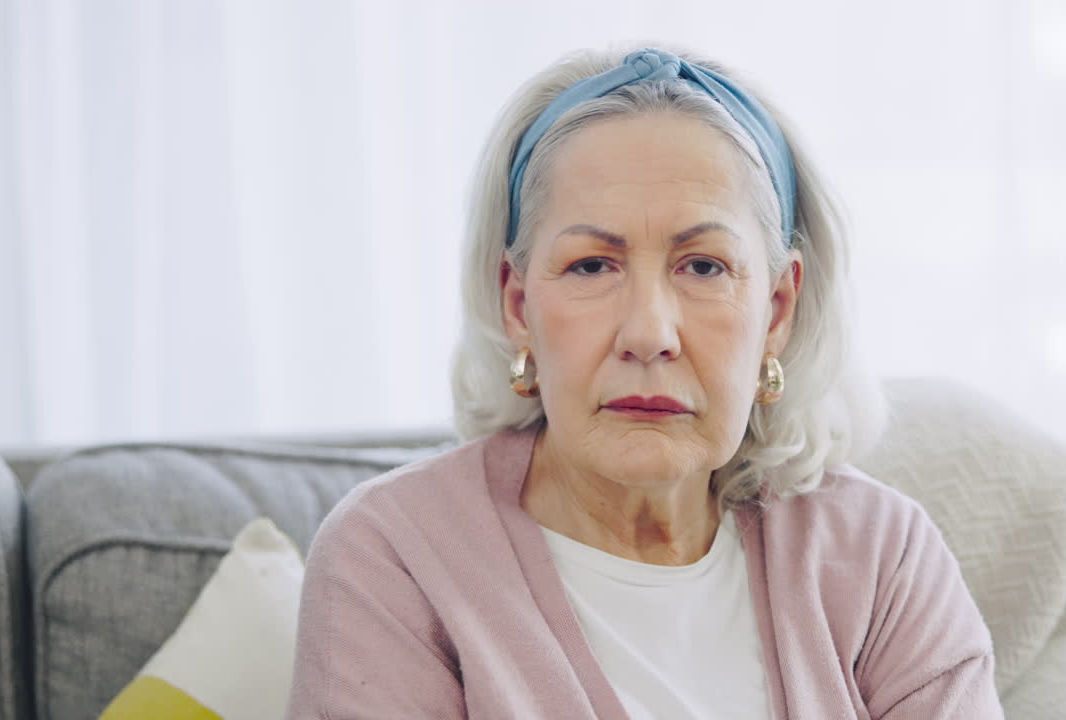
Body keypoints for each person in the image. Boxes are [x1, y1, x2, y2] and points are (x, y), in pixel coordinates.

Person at [286, 44, 1004, 719]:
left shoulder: (882, 553)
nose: (648, 334)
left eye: (704, 267)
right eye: (592, 266)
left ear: (777, 310)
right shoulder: (394, 554)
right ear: (518, 305)